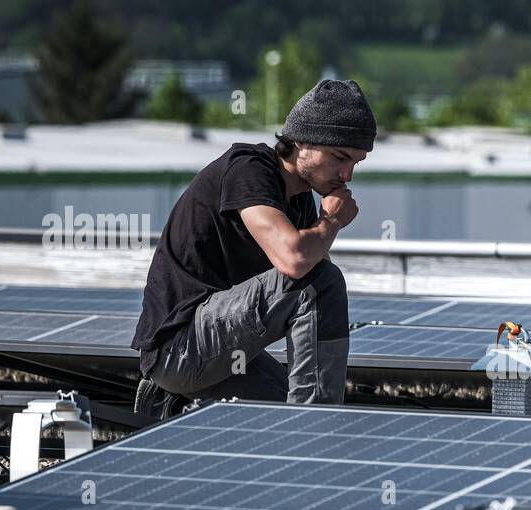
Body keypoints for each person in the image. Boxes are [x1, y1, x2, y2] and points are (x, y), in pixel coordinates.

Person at [131, 79, 375, 415]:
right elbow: (295, 261)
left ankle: (173, 405)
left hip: (224, 357)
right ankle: (316, 428)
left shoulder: (301, 200)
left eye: (356, 163)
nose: (346, 174)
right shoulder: (249, 168)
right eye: (339, 157)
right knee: (321, 282)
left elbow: (305, 303)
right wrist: (330, 223)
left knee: (279, 416)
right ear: (301, 140)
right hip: (180, 347)